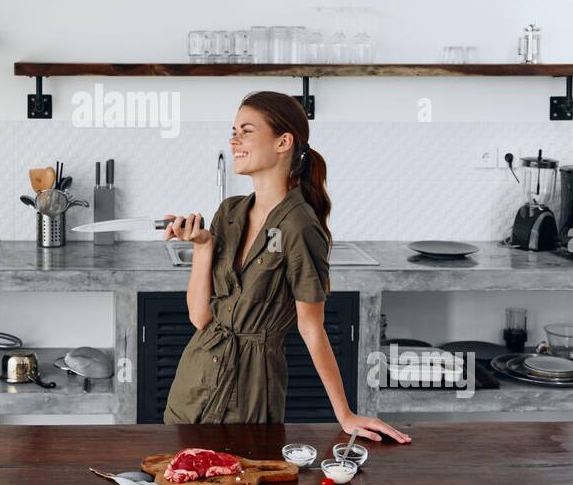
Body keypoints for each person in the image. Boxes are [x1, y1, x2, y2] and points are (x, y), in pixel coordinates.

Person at [162, 90, 411, 445]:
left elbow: (312, 327)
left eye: (246, 131)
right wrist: (203, 247)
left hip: (247, 398)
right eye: (233, 131)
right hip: (191, 388)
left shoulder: (299, 226)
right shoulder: (229, 213)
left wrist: (345, 413)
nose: (234, 140)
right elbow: (201, 319)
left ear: (283, 141)